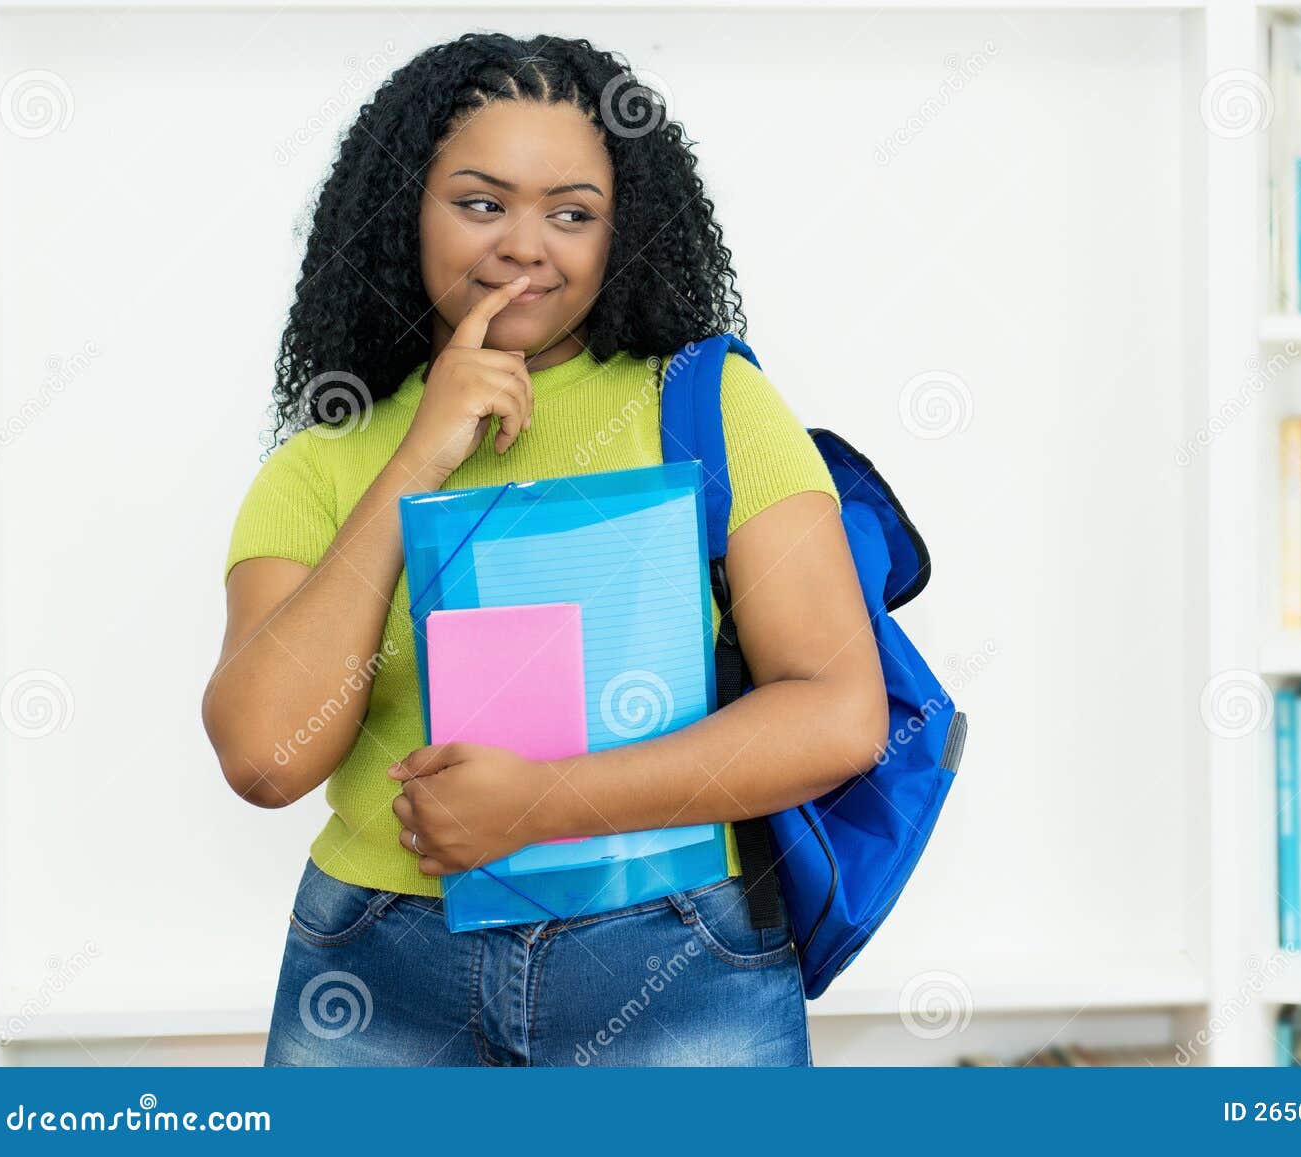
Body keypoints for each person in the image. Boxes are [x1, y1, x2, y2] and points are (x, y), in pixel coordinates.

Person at [201, 31, 888, 1067]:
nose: (527, 244)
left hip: (673, 954)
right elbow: (264, 756)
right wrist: (417, 457)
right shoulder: (326, 461)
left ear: (622, 233)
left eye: (572, 213)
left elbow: (837, 711)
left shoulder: (706, 408)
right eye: (481, 203)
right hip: (382, 968)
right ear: (403, 213)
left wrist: (540, 803)